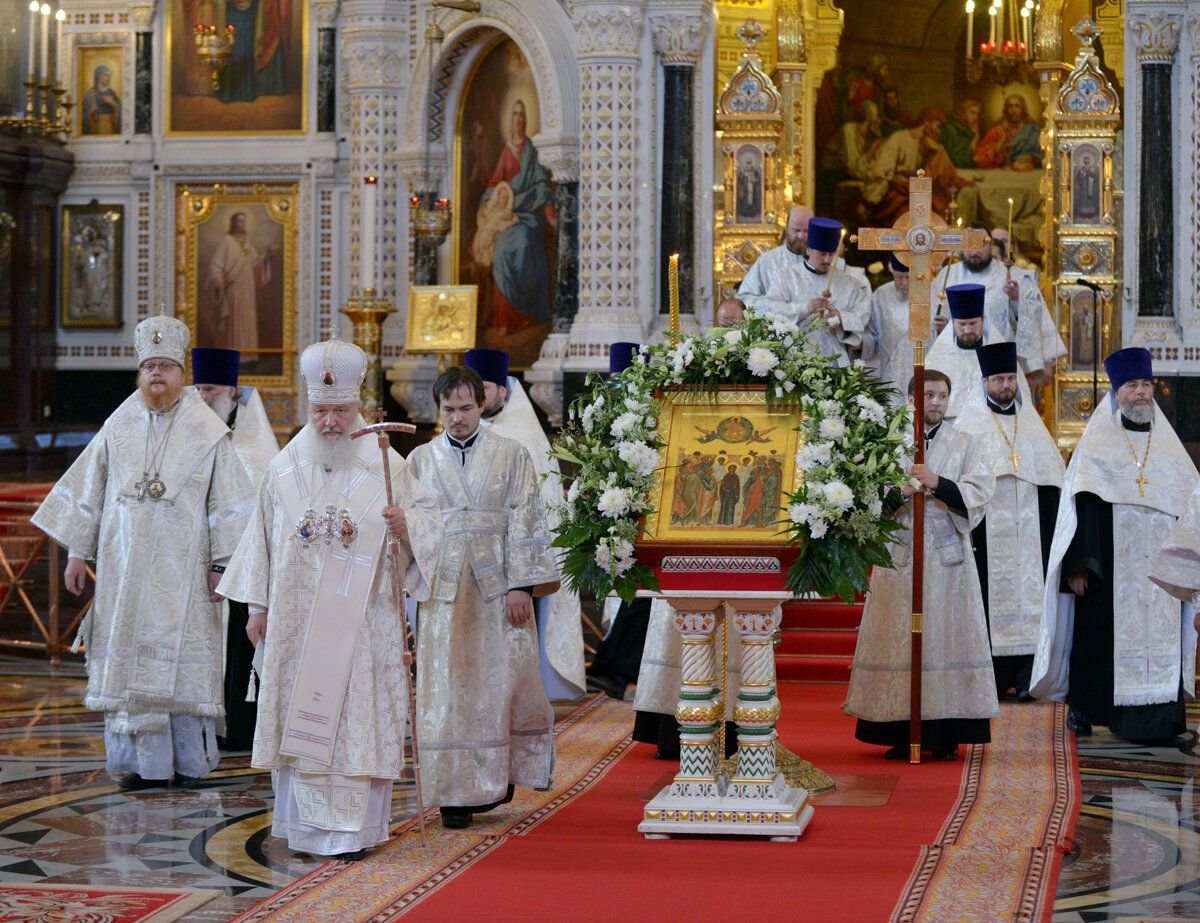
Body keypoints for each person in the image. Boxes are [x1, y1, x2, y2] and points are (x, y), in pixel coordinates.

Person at [217, 332, 442, 858]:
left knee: (358, 719)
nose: (330, 422)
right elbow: (261, 543)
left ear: (357, 406)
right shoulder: (283, 469)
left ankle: (355, 831)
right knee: (304, 719)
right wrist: (257, 606)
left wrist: (407, 525)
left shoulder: (387, 465)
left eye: (340, 410)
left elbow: (433, 529)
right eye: (321, 411)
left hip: (364, 628)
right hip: (296, 629)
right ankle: (304, 829)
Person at [31, 312, 252, 791]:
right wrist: (75, 553)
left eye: (166, 366)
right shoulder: (119, 424)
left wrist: (221, 566)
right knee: (131, 664)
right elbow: (89, 490)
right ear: (140, 371)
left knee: (182, 670)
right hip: (124, 569)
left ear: (181, 374)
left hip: (186, 576)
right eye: (149, 365)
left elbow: (229, 504)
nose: (157, 374)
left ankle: (189, 763)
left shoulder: (208, 429)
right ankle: (141, 765)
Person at [406, 366, 560, 830]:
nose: (457, 418)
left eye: (466, 408)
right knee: (448, 689)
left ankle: (499, 776)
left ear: (483, 406)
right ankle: (453, 793)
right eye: (449, 410)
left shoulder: (512, 455)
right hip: (443, 595)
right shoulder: (419, 460)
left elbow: (528, 520)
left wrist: (521, 586)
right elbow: (412, 527)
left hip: (498, 593)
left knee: (501, 682)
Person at [1032, 348, 1199, 743]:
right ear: (1116, 391)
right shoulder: (1096, 445)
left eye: (1146, 385)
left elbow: (1190, 507)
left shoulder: (1171, 451)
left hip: (1161, 574)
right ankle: (1086, 711)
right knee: (1096, 639)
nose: (1141, 393)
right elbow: (1080, 509)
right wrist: (1079, 565)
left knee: (1161, 639)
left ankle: (1158, 721)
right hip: (1108, 565)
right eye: (1131, 386)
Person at [844, 369, 998, 760]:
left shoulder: (967, 444)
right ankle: (898, 730)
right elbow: (864, 500)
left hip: (949, 564)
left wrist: (938, 483)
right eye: (928, 395)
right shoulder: (888, 444)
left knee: (945, 639)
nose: (935, 403)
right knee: (900, 641)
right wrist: (902, 491)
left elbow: (980, 492)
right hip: (899, 558)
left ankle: (945, 734)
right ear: (911, 400)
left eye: (942, 396)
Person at [464, 347, 585, 701]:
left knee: (512, 651)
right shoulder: (461, 428)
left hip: (513, 561)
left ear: (502, 390)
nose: (478, 398)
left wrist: (522, 579)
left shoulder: (522, 435)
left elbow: (535, 508)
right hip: (471, 560)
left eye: (484, 389)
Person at [953, 342, 1064, 700]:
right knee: (991, 597)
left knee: (1031, 596)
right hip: (988, 532)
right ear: (984, 382)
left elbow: (1051, 477)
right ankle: (995, 679)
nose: (1006, 386)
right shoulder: (969, 425)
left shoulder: (1032, 425)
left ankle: (1028, 676)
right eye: (998, 379)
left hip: (1030, 531)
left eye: (1010, 378)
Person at [191, 347, 279, 750]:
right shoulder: (188, 432)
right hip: (192, 559)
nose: (202, 396)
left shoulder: (254, 444)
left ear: (229, 389)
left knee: (237, 643)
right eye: (198, 388)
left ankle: (235, 725)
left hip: (241, 565)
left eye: (209, 388)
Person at [933, 223, 1064, 383]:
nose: (975, 251)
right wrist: (944, 327)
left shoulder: (1013, 275)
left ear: (991, 245)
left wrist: (1016, 301)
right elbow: (933, 321)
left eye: (981, 244)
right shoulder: (947, 275)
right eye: (969, 244)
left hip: (1000, 366)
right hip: (957, 365)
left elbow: (1032, 318)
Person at [739, 216, 871, 366]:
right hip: (795, 360)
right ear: (808, 250)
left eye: (831, 254)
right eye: (822, 254)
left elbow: (863, 315)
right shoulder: (786, 277)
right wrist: (804, 308)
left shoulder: (849, 283)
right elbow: (770, 311)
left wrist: (841, 317)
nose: (827, 260)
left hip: (835, 361)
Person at [474, 99, 556, 336]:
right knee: (499, 252)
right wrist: (485, 206)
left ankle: (524, 312)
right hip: (504, 217)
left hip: (527, 217)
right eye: (515, 114)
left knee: (523, 244)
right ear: (510, 120)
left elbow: (541, 185)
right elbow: (494, 185)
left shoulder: (531, 150)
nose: (518, 118)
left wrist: (550, 216)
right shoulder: (506, 150)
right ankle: (505, 317)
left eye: (522, 114)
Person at [862, 107, 972, 225]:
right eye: (938, 126)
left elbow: (936, 175)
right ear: (926, 123)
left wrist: (937, 150)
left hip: (914, 191)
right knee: (908, 215)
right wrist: (871, 199)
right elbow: (881, 171)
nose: (939, 132)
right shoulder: (898, 138)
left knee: (936, 212)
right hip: (896, 192)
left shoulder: (926, 145)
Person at [926, 283, 1019, 419]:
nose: (967, 330)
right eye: (962, 324)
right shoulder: (938, 358)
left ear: (982, 320)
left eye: (973, 323)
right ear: (953, 323)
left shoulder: (998, 352)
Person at [861, 253, 937, 404]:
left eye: (908, 277)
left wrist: (943, 328)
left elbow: (947, 337)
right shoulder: (881, 295)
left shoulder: (935, 294)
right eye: (898, 277)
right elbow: (872, 335)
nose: (903, 282)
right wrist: (858, 342)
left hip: (927, 375)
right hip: (891, 376)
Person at [205, 212, 273, 354]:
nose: (242, 224)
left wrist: (265, 258)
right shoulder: (226, 241)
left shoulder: (247, 243)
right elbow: (216, 265)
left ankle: (247, 355)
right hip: (233, 287)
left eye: (244, 221)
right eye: (239, 221)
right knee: (233, 319)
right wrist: (218, 279)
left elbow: (255, 263)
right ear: (233, 223)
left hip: (247, 287)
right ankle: (231, 355)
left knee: (247, 317)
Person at [737, 206, 813, 299]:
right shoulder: (767, 261)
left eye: (807, 231)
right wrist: (765, 310)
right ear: (787, 228)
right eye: (796, 230)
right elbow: (744, 298)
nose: (801, 236)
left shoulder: (825, 262)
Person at [974, 93, 1043, 170]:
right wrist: (1000, 142)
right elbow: (978, 158)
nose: (1014, 110)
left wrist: (1030, 158)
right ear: (1006, 110)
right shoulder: (996, 131)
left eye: (1017, 106)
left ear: (1023, 109)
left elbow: (1043, 155)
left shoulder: (1032, 130)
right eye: (1010, 106)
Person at [940, 97, 984, 169]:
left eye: (977, 114)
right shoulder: (951, 130)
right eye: (972, 113)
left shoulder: (970, 131)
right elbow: (960, 161)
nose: (975, 117)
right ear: (963, 113)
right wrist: (975, 139)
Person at [82, 63, 121, 135]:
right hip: (95, 129)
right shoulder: (90, 94)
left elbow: (122, 112)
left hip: (110, 129)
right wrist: (91, 111)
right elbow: (84, 116)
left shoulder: (112, 93)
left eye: (109, 76)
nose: (108, 78)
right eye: (105, 75)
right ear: (98, 76)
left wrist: (114, 104)